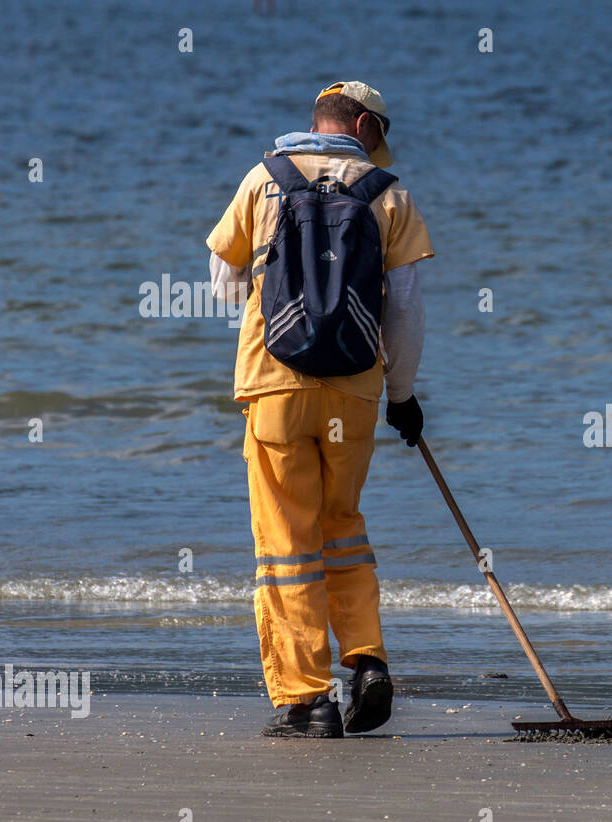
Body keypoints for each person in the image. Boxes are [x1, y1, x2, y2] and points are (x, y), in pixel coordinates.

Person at [207, 81, 434, 738]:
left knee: (285, 545)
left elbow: (223, 283)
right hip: (353, 393)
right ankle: (365, 659)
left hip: (275, 386)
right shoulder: (389, 193)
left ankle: (307, 700)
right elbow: (406, 313)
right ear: (362, 125)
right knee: (342, 526)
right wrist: (403, 398)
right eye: (378, 135)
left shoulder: (264, 178)